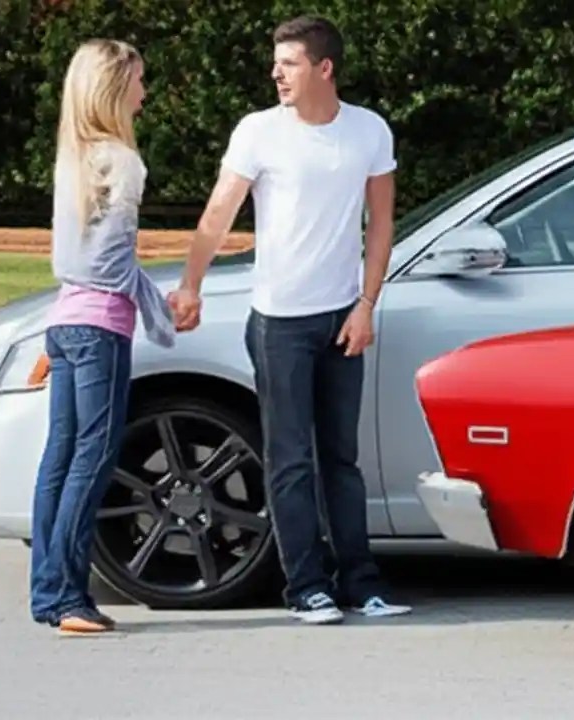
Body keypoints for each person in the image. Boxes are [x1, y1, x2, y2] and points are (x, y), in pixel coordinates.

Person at [168, 15, 409, 624]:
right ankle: (307, 587)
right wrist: (191, 284)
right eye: (276, 63)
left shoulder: (368, 131)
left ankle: (362, 582)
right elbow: (220, 209)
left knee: (341, 459)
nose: (276, 73)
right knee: (290, 458)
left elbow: (380, 224)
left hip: (341, 319)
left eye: (290, 63)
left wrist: (366, 304)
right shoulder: (258, 132)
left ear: (324, 68)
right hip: (279, 321)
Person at [31, 38, 177, 634]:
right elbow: (113, 266)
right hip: (98, 329)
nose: (145, 94)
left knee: (60, 460)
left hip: (66, 323)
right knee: (91, 459)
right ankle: (68, 598)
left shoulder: (74, 157)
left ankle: (47, 593)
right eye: (139, 81)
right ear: (116, 87)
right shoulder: (123, 161)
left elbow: (75, 259)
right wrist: (159, 312)